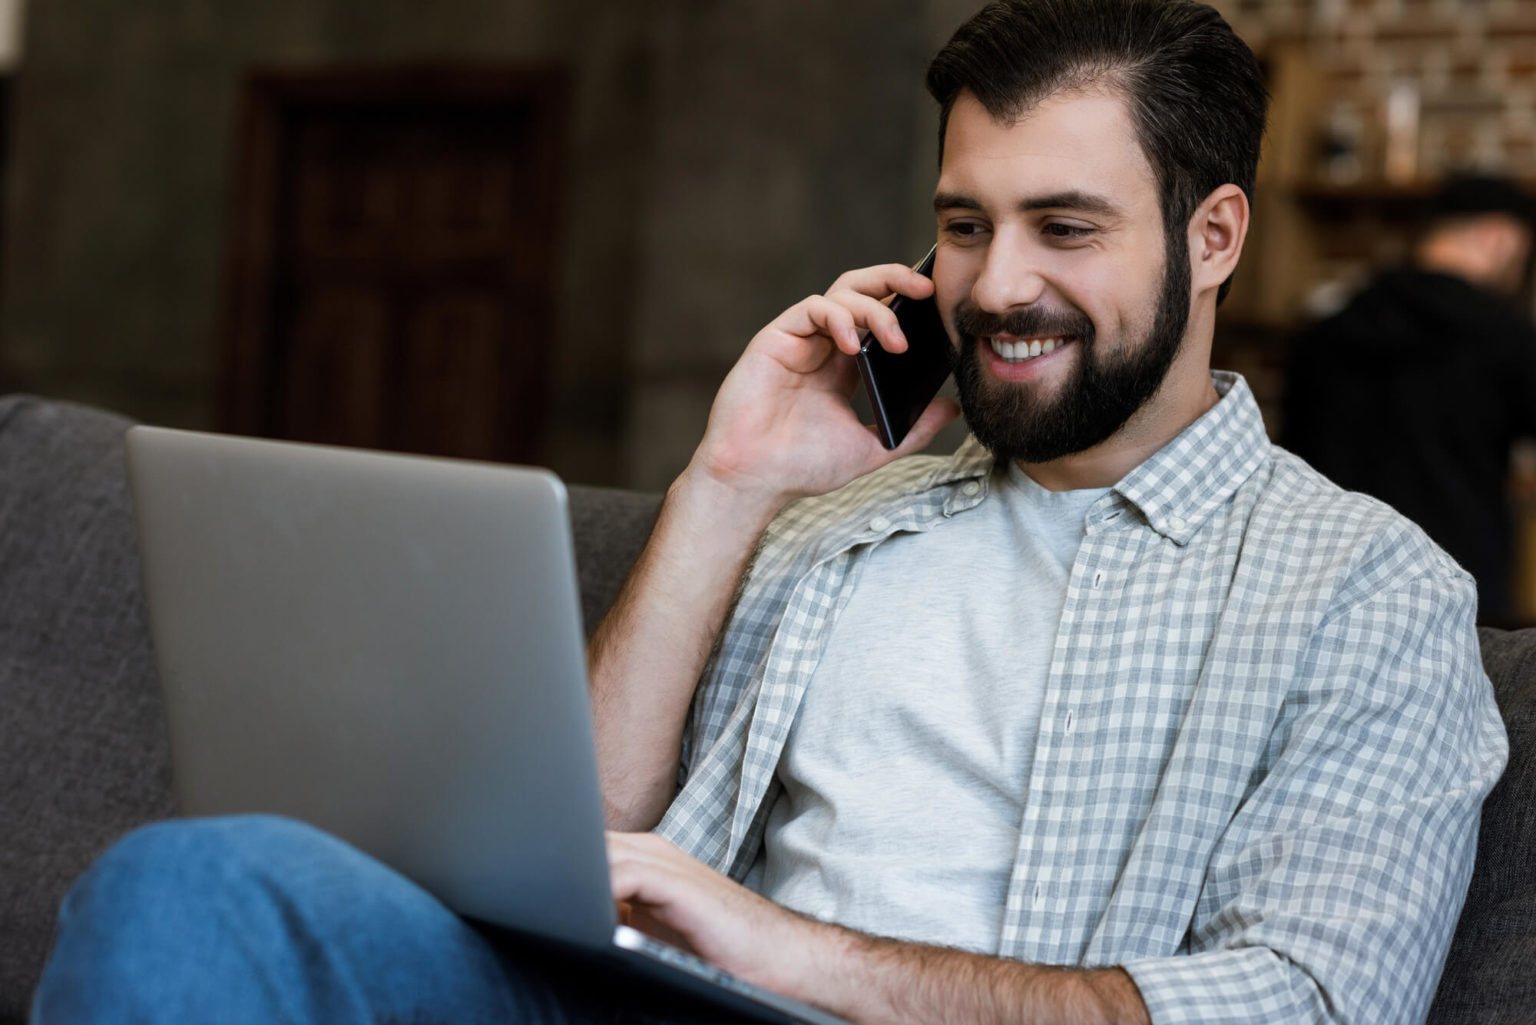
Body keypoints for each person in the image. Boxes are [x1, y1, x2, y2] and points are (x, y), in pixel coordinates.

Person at [34, 2, 1508, 1024]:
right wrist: (729, 485)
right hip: (646, 999)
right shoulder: (844, 519)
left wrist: (794, 955)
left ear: (1215, 235)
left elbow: (1305, 1002)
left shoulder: (1365, 593)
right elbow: (571, 850)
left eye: (1065, 228)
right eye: (962, 222)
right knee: (197, 879)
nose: (995, 285)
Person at [1283, 174, 1536, 623]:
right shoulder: (1505, 335)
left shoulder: (1330, 326)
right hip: (1458, 591)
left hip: (1328, 586)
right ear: (1500, 236)